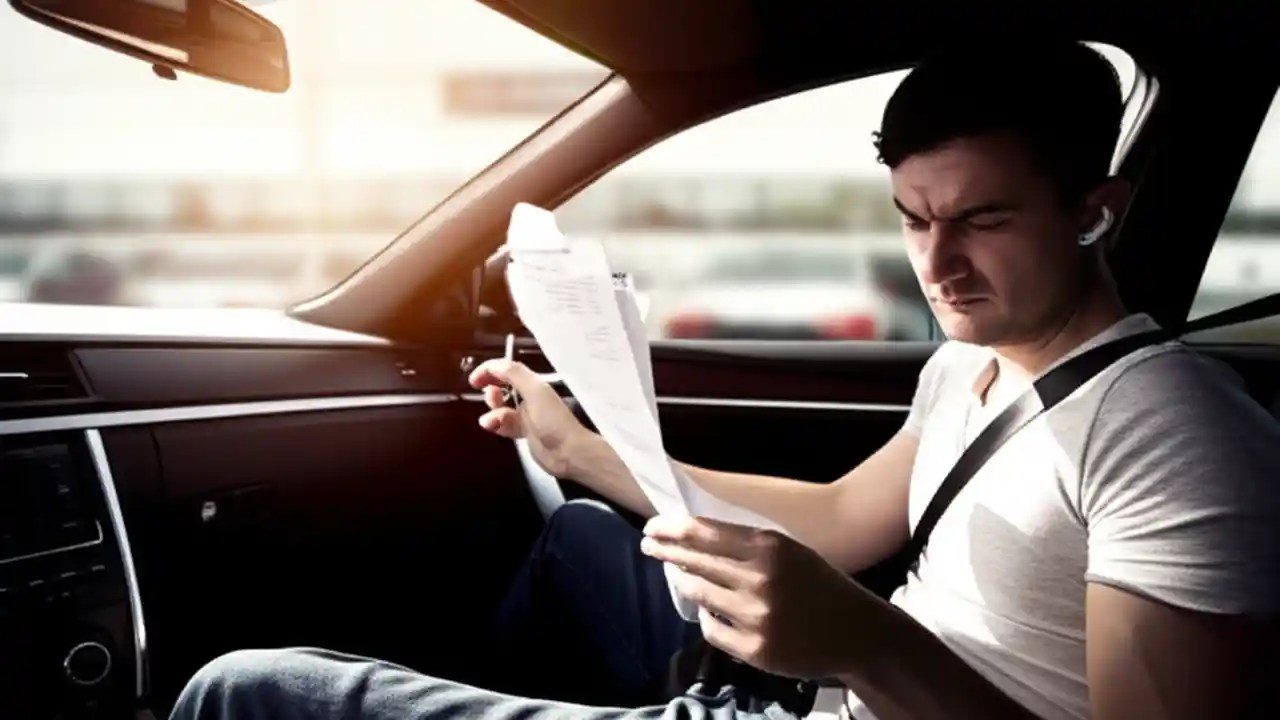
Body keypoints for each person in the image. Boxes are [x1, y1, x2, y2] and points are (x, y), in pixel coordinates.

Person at [167, 38, 1280, 720]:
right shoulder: (969, 363)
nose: (936, 266)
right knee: (574, 541)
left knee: (243, 692)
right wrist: (576, 449)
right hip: (828, 683)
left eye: (982, 221)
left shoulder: (1169, 429)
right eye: (912, 220)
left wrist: (861, 644)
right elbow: (844, 516)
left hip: (850, 689)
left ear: (1097, 211)